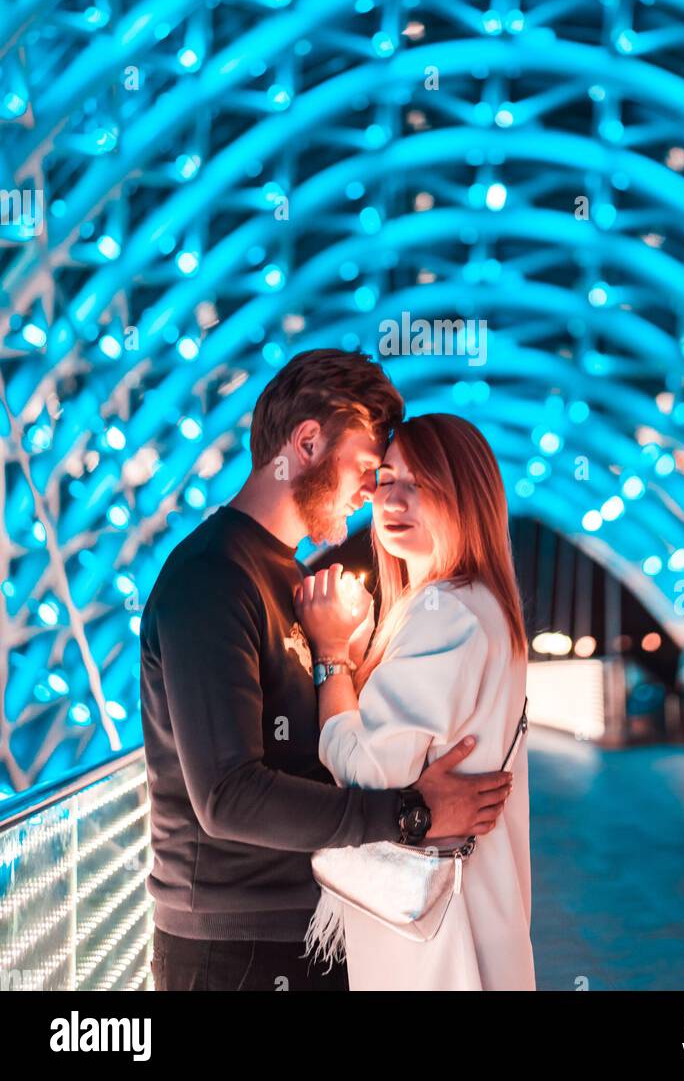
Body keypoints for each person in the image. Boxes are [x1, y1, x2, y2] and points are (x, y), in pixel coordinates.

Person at [140, 350, 514, 992]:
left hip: (312, 928)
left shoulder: (296, 584)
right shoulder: (211, 578)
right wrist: (410, 815)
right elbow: (227, 797)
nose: (374, 493)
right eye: (368, 468)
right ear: (307, 443)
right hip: (234, 951)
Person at [297, 413, 536, 991]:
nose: (393, 499)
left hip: (437, 943)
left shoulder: (445, 612)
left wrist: (332, 658)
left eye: (421, 484)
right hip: (473, 923)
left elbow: (370, 772)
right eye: (385, 478)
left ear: (469, 500)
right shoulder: (479, 608)